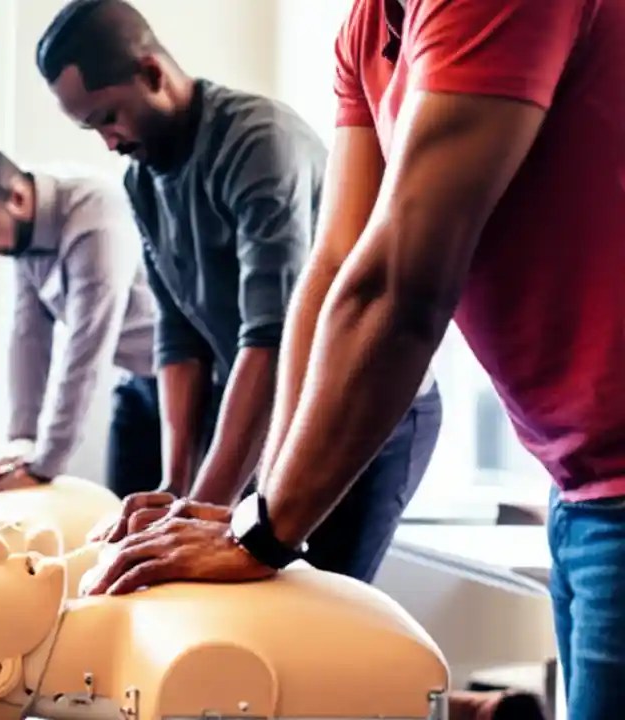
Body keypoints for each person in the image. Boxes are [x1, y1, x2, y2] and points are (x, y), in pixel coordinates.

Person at [80, 0, 624, 717]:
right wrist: (252, 509)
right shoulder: (370, 28)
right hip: (576, 472)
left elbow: (400, 281)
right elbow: (334, 266)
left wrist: (264, 530)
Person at [34, 0, 441, 584]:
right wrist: (177, 488)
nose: (107, 141)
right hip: (273, 413)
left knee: (314, 618)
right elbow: (178, 341)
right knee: (242, 603)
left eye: (108, 117)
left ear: (151, 74)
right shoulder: (142, 180)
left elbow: (270, 338)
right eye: (90, 127)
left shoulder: (257, 142)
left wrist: (202, 507)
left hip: (366, 407)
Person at [0, 147, 161, 498]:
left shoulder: (94, 214)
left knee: (189, 517)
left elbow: (86, 343)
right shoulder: (21, 234)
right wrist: (21, 442)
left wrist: (45, 464)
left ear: (17, 197)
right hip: (137, 376)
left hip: (195, 380)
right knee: (127, 512)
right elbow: (28, 335)